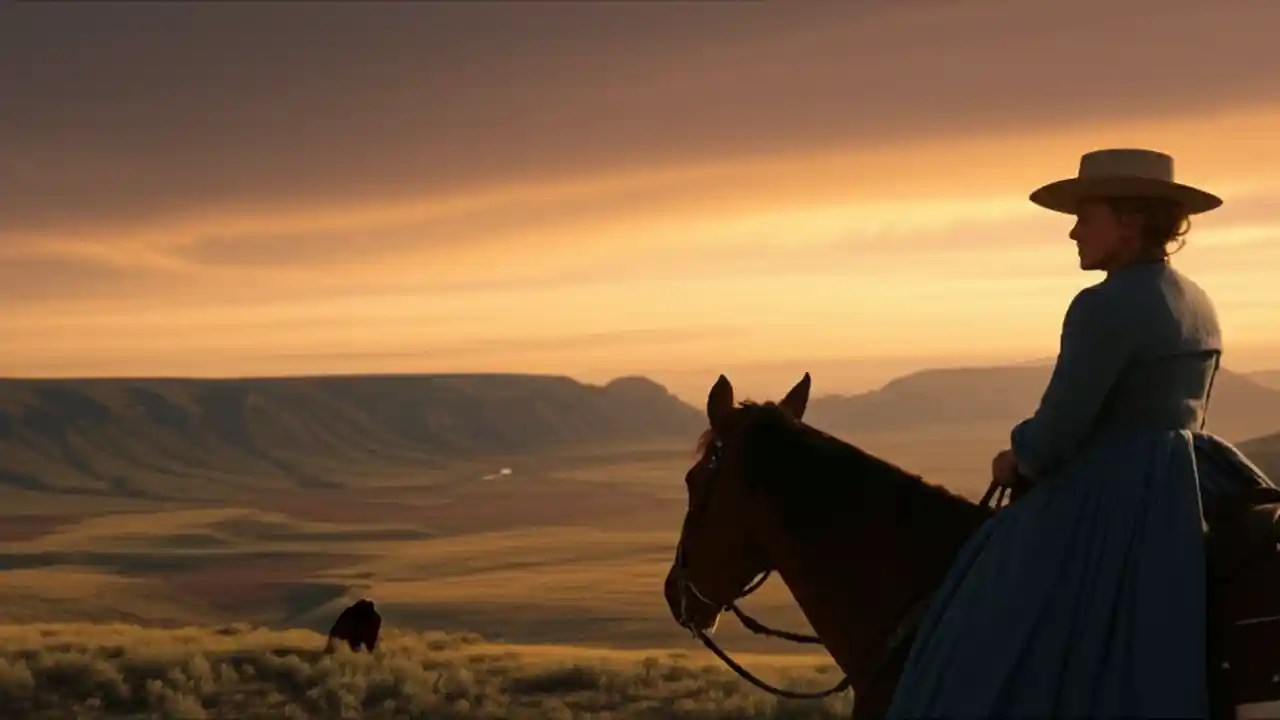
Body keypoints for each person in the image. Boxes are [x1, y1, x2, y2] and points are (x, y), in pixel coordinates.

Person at [886, 148, 1275, 718]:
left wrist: (1014, 456)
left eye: (1085, 217)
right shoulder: (1198, 301)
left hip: (1112, 488)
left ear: (1130, 221)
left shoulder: (1102, 305)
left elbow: (1058, 433)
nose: (1072, 233)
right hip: (1189, 475)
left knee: (982, 609)